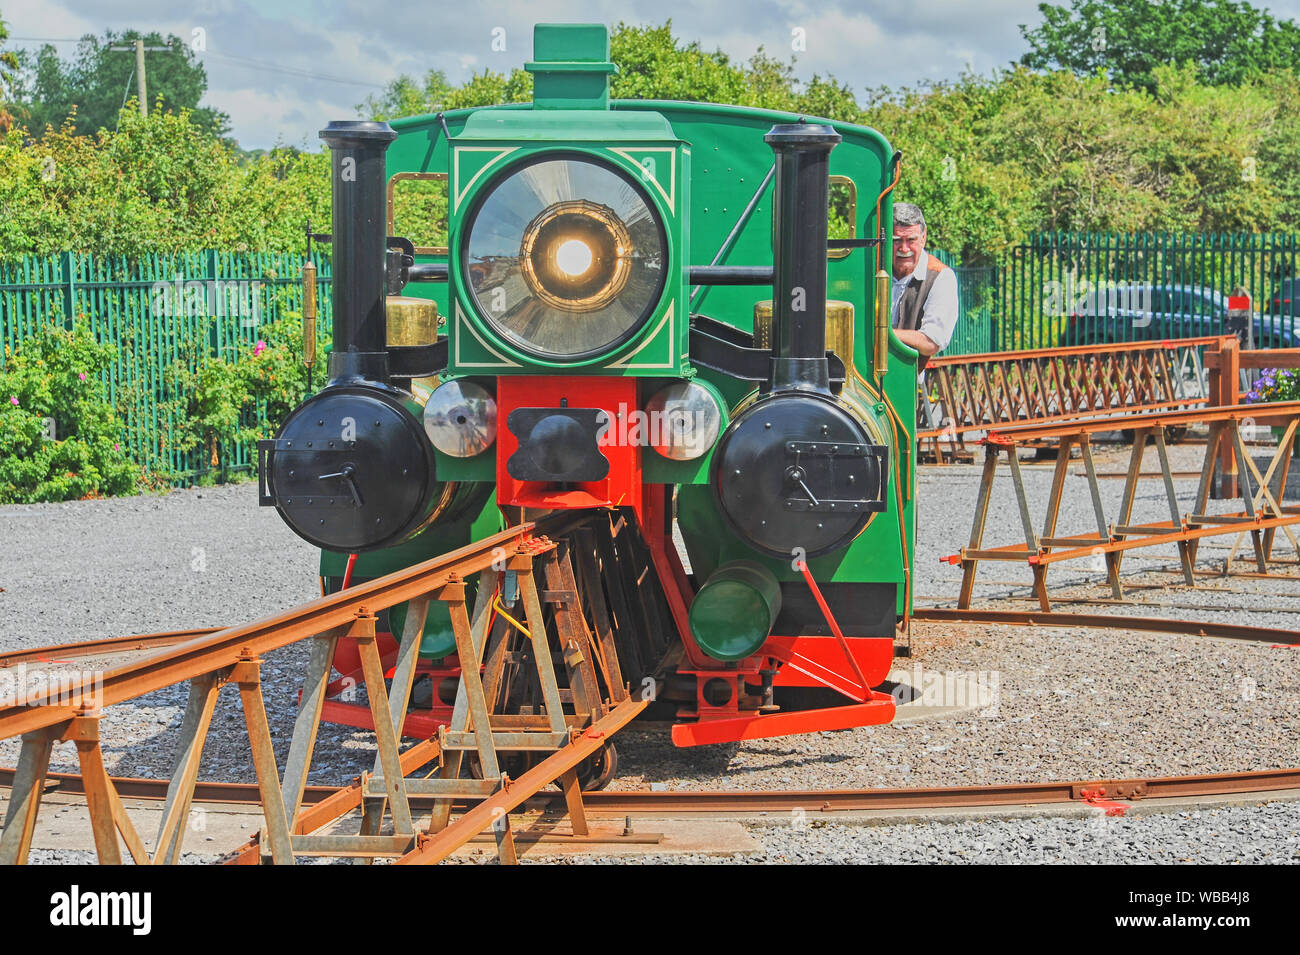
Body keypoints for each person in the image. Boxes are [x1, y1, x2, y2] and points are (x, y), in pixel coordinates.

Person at [890, 202, 959, 364]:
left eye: (911, 240)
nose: (904, 248)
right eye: (896, 240)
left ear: (924, 237)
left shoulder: (941, 277)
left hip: (909, 383)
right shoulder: (872, 270)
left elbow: (930, 342)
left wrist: (881, 334)